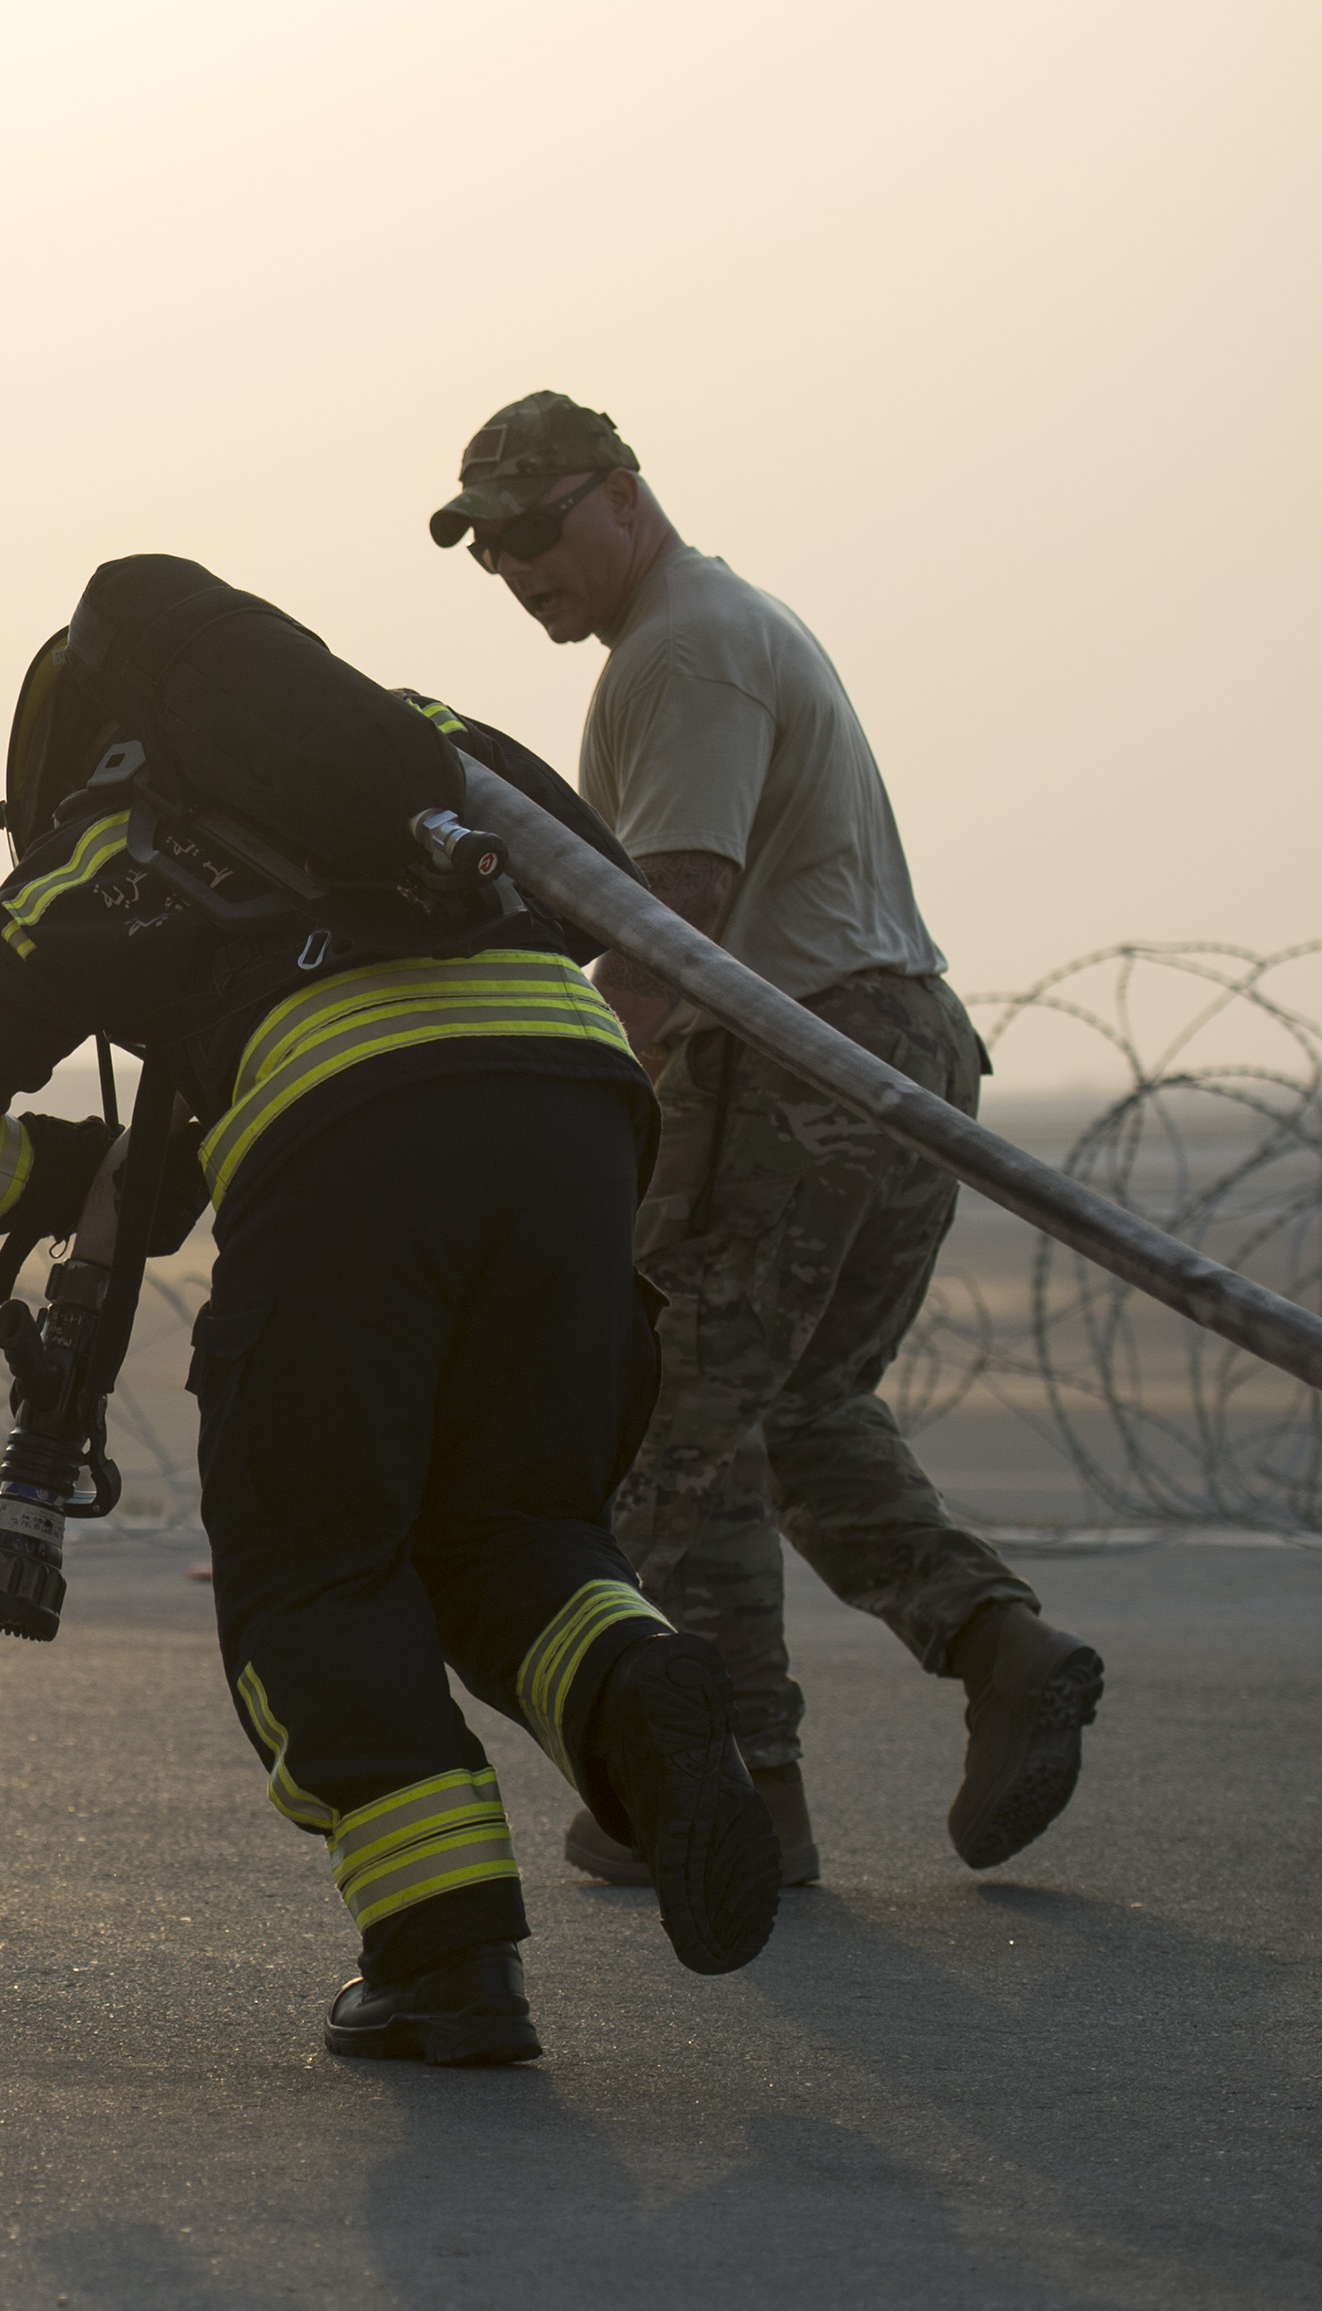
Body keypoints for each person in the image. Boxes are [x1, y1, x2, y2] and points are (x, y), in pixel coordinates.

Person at [0, 556, 782, 2067]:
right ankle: (639, 1692)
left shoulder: (112, 845)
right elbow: (618, 901)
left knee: (312, 1572)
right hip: (574, 1117)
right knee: (516, 1529)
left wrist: (75, 1180)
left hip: (357, 1148)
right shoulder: (435, 749)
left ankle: (447, 1966)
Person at [432, 392, 1104, 1885]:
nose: (518, 566)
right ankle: (1004, 1650)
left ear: (621, 499)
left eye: (538, 529)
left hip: (799, 1058)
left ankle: (740, 1794)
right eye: (486, 547)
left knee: (676, 1422)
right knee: (802, 1415)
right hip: (900, 1048)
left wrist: (547, 1111)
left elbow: (676, 919)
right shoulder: (712, 630)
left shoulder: (681, 649)